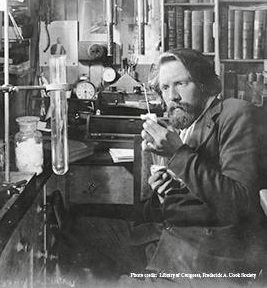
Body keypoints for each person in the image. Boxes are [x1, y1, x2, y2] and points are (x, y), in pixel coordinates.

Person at [57, 49, 267, 285]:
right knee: (75, 226)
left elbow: (239, 203)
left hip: (209, 255)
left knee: (78, 236)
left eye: (180, 84)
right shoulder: (188, 125)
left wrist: (178, 153)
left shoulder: (237, 113)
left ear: (204, 84)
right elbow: (193, 193)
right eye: (165, 88)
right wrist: (162, 194)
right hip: (172, 235)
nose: (172, 96)